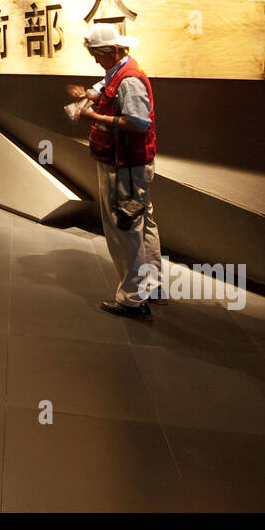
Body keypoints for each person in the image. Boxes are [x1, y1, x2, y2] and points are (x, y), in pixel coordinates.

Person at [66, 22, 161, 318]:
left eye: (98, 54)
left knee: (124, 227)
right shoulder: (120, 71)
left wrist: (95, 116)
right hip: (132, 164)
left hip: (124, 165)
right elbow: (106, 84)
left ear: (115, 50)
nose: (95, 60)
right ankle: (151, 284)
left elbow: (137, 122)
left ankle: (133, 298)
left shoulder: (129, 79)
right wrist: (92, 94)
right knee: (142, 222)